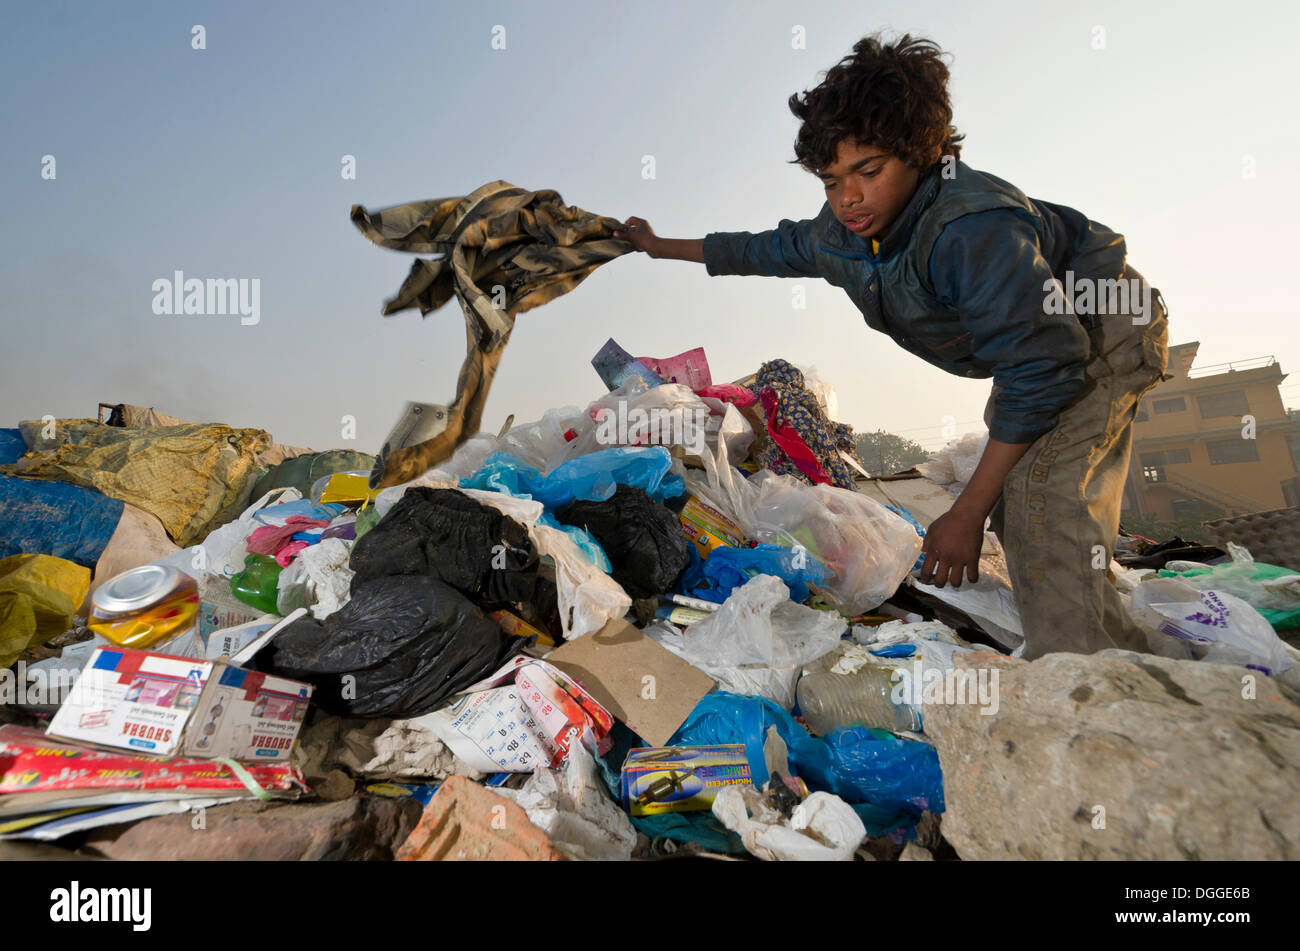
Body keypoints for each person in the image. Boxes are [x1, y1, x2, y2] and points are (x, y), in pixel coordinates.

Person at [613, 33, 1172, 659]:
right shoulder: (845, 235)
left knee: (1043, 512)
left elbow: (1041, 372)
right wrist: (661, 247)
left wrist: (963, 515)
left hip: (1098, 331)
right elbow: (759, 248)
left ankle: (1101, 692)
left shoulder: (970, 226)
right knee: (1026, 509)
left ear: (921, 155)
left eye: (868, 172)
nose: (846, 197)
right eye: (830, 181)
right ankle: (1127, 662)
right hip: (1036, 350)